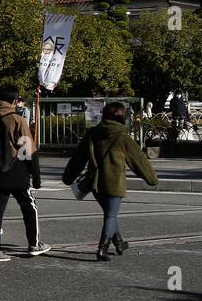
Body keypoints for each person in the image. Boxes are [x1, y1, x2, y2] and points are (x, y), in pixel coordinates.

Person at [62, 101, 158, 261]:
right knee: (111, 215)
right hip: (114, 182)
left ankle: (119, 243)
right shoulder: (123, 138)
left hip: (95, 183)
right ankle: (102, 249)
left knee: (109, 214)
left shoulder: (92, 134)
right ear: (123, 118)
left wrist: (68, 178)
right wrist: (152, 179)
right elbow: (139, 162)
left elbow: (78, 159)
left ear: (104, 115)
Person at [0, 84, 47, 262]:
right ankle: (34, 244)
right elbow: (27, 149)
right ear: (15, 100)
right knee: (29, 206)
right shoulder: (17, 119)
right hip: (16, 170)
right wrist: (36, 175)